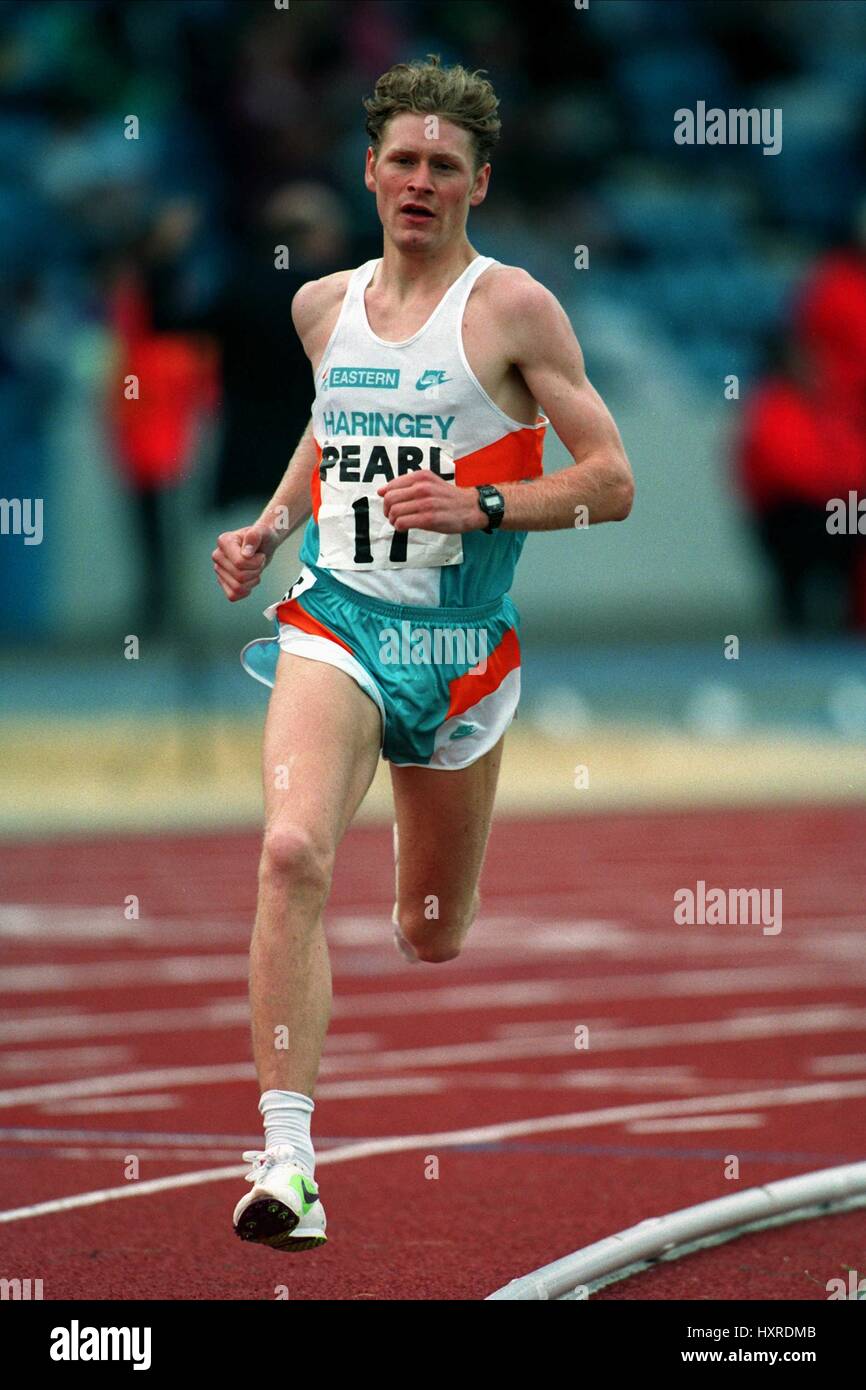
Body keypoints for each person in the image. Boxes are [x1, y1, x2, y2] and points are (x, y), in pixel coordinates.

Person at [211, 55, 634, 1253]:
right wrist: (271, 526)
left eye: (443, 165)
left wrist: (482, 507)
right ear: (367, 170)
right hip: (335, 619)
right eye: (400, 159)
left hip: (458, 651)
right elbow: (329, 420)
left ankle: (414, 801)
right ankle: (287, 1163)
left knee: (431, 932)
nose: (418, 180)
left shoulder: (512, 310)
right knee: (291, 851)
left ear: (476, 184)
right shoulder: (322, 307)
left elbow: (612, 480)